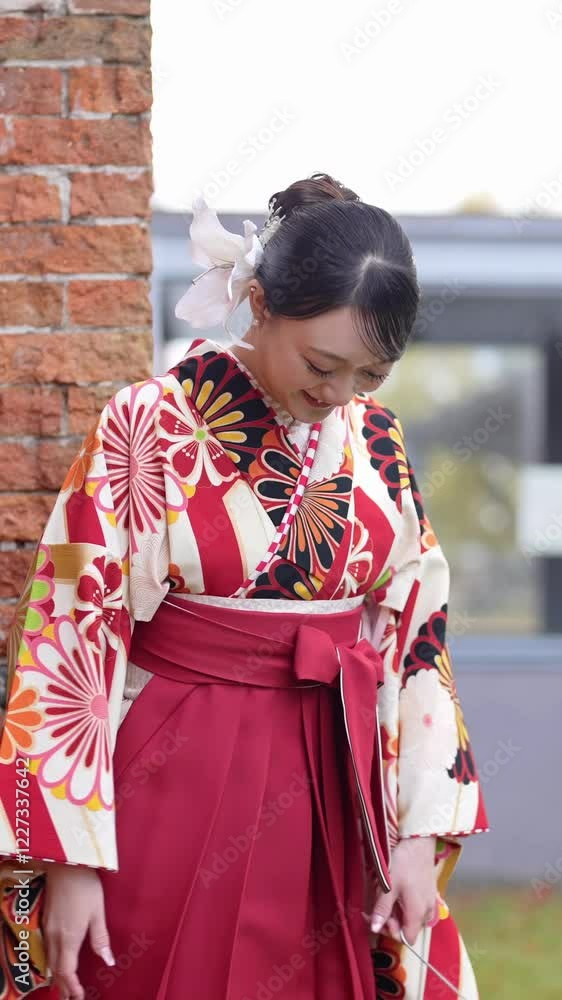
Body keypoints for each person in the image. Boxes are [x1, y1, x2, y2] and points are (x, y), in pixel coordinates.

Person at [0, 172, 488, 1000]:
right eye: (323, 363)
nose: (339, 395)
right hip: (174, 769)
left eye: (370, 375)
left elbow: (415, 636)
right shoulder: (149, 420)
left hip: (341, 773)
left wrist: (416, 831)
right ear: (258, 303)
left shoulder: (376, 439)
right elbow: (72, 629)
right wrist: (70, 859)